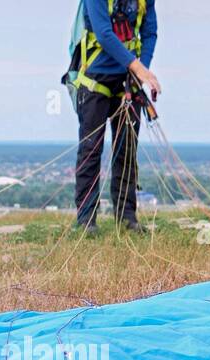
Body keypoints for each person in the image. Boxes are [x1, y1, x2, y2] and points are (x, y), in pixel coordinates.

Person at [69, 0, 160, 235]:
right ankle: (87, 220)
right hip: (94, 78)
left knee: (126, 149)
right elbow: (104, 33)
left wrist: (142, 70)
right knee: (91, 149)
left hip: (128, 80)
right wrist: (140, 69)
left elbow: (149, 33)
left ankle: (127, 217)